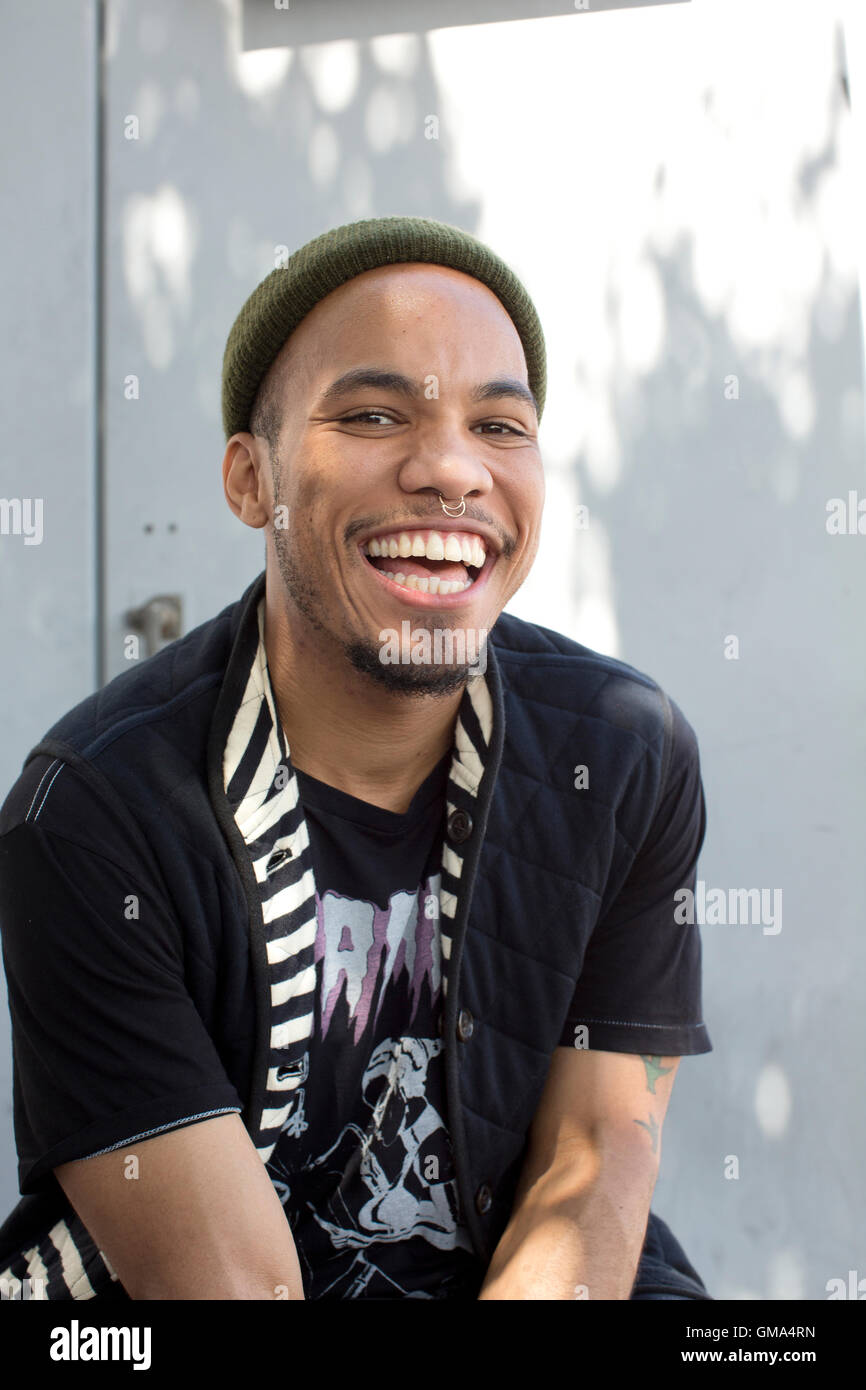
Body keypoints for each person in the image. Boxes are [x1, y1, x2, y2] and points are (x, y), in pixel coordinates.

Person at [0, 215, 712, 1301]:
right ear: (251, 480)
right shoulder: (94, 815)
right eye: (375, 414)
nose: (449, 470)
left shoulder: (620, 753)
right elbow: (232, 1285)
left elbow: (592, 1154)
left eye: (499, 424)